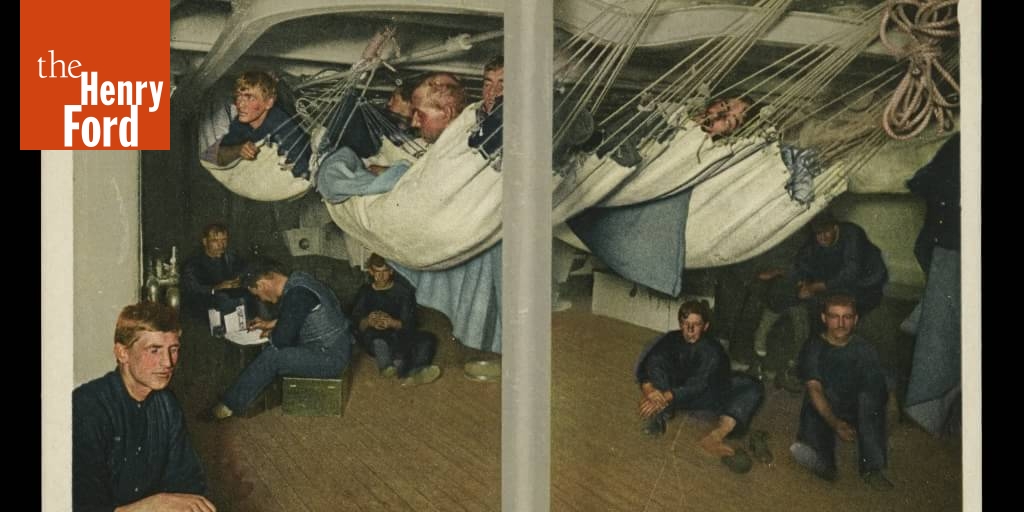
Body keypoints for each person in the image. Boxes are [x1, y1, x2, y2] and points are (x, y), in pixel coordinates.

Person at [73, 302, 216, 511]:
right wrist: (156, 504)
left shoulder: (167, 404)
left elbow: (188, 481)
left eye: (173, 349)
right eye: (154, 350)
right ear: (122, 353)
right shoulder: (88, 407)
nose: (167, 362)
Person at [750, 211, 888, 391]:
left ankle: (826, 368)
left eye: (825, 232)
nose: (821, 237)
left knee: (839, 316)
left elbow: (849, 274)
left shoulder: (852, 235)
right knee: (795, 296)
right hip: (834, 280)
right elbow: (803, 261)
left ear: (835, 227)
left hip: (865, 284)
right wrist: (796, 277)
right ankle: (784, 359)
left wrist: (813, 287)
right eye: (817, 234)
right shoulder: (816, 239)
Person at [205, 259, 353, 420]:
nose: (261, 299)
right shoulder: (300, 279)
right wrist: (270, 324)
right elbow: (302, 314)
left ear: (262, 284)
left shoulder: (296, 295)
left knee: (273, 355)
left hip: (330, 357)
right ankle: (246, 391)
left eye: (257, 294)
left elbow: (282, 340)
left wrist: (271, 334)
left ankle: (228, 406)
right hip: (336, 344)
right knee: (275, 351)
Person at [635, 300, 770, 472]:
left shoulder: (713, 350)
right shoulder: (671, 338)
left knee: (753, 386)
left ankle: (716, 436)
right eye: (686, 324)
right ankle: (661, 412)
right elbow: (648, 364)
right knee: (656, 361)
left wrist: (663, 397)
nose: (690, 330)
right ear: (680, 323)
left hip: (703, 396)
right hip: (673, 395)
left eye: (696, 325)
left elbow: (698, 386)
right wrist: (650, 391)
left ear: (705, 326)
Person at [789, 294, 894, 491]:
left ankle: (873, 468)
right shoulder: (813, 347)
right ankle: (823, 462)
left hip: (855, 406)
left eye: (846, 317)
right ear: (824, 318)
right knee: (815, 404)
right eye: (834, 316)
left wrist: (884, 424)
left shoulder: (865, 349)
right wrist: (835, 423)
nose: (840, 323)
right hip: (826, 404)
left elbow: (880, 390)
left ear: (855, 320)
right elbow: (814, 388)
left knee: (870, 399)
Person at [315, 73, 467, 203]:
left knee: (332, 176)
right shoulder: (433, 142)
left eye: (420, 114)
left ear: (447, 113)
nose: (414, 123)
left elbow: (434, 182)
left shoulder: (464, 148)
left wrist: (392, 172)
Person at [352, 253, 442, 386]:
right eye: (377, 272)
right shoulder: (365, 292)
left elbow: (410, 322)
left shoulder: (403, 292)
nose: (381, 276)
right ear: (370, 271)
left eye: (385, 272)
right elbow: (355, 319)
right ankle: (387, 366)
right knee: (376, 338)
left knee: (428, 339)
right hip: (375, 336)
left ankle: (414, 371)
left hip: (398, 333)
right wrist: (368, 321)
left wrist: (392, 322)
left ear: (391, 271)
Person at [216, 70, 312, 178]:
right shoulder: (241, 122)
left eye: (250, 98)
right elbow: (219, 156)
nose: (241, 104)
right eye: (238, 97)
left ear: (269, 103)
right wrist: (238, 150)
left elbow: (301, 174)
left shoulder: (284, 126)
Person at [180, 223, 253, 320]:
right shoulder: (193, 262)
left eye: (224, 240)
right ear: (205, 241)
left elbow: (244, 270)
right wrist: (216, 288)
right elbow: (193, 289)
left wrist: (239, 280)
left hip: (233, 299)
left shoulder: (231, 257)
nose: (221, 245)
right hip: (205, 305)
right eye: (215, 241)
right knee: (223, 299)